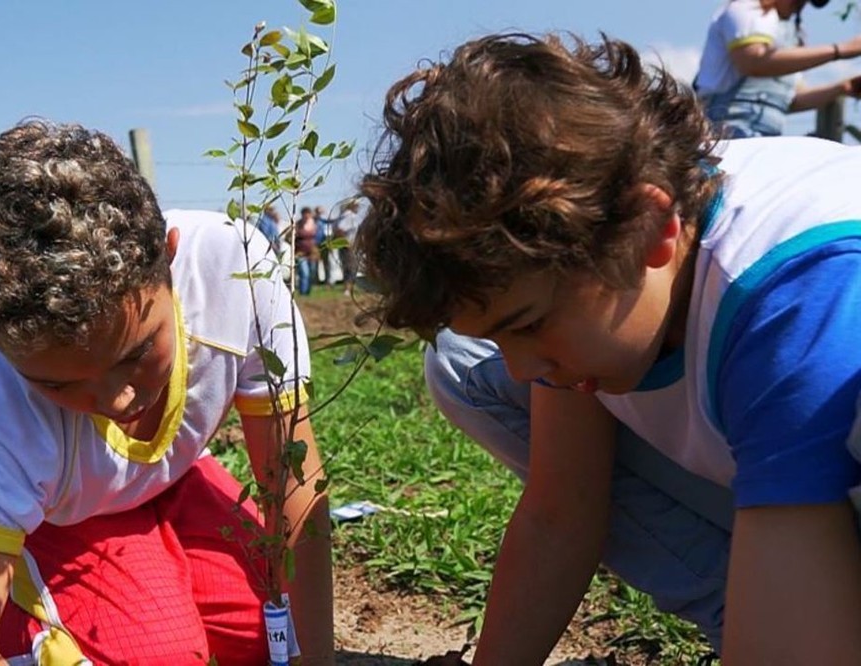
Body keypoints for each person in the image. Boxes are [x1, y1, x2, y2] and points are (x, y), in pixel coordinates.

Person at [356, 32, 861, 665]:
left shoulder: (792, 293)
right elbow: (561, 514)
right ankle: (751, 605)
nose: (523, 367)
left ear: (651, 227)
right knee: (465, 364)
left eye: (531, 323)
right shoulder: (606, 251)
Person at [0, 120, 334, 665]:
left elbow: (292, 483)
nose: (118, 401)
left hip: (174, 479)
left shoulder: (238, 280)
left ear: (169, 255)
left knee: (271, 631)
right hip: (58, 515)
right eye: (58, 384)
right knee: (156, 656)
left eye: (136, 352)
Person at [693, 0, 861, 138]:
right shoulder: (747, 8)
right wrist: (840, 50)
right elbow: (752, 62)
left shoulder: (793, 35)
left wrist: (844, 87)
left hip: (766, 137)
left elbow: (791, 100)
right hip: (725, 130)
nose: (801, 5)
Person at [332, 200, 361, 297]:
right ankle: (348, 289)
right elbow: (340, 229)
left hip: (346, 245)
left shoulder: (343, 216)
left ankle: (350, 288)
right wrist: (346, 242)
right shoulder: (349, 216)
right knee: (350, 267)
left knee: (349, 267)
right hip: (348, 246)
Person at [294, 206, 320, 296]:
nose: (306, 216)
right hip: (300, 253)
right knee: (304, 272)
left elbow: (319, 237)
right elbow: (289, 237)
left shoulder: (314, 225)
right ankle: (303, 292)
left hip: (312, 253)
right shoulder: (297, 225)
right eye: (305, 214)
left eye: (308, 214)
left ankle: (308, 291)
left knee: (312, 272)